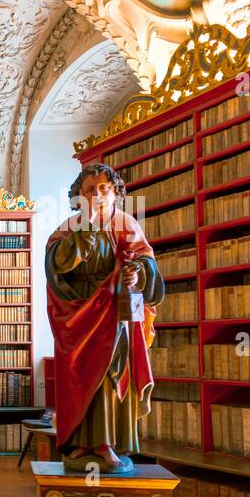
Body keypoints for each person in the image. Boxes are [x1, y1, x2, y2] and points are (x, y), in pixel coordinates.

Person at [45, 163, 164, 474]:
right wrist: (86, 229)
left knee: (110, 376)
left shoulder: (127, 224)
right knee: (79, 376)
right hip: (79, 312)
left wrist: (136, 272)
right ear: (79, 197)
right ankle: (80, 442)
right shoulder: (69, 227)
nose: (96, 194)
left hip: (114, 313)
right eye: (88, 190)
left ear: (115, 193)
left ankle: (106, 443)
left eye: (103, 189)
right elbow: (58, 266)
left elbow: (147, 266)